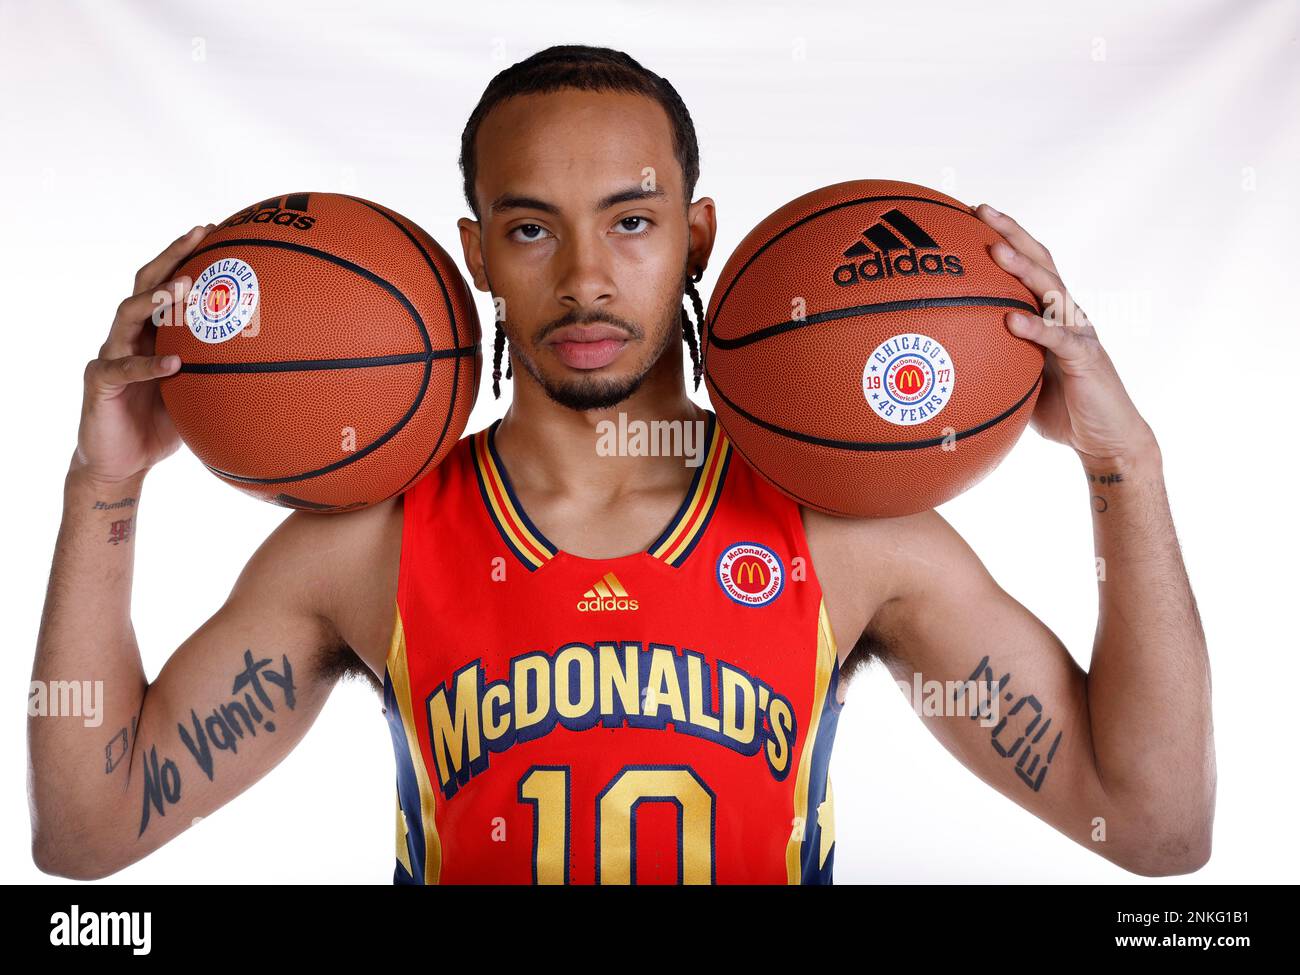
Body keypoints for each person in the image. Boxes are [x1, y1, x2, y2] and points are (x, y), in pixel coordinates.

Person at [28, 44, 1214, 884]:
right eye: (533, 225)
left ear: (697, 232)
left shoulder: (847, 530)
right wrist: (104, 490)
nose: (586, 277)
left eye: (632, 220)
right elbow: (87, 837)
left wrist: (1128, 466)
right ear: (479, 252)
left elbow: (1155, 829)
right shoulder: (369, 541)